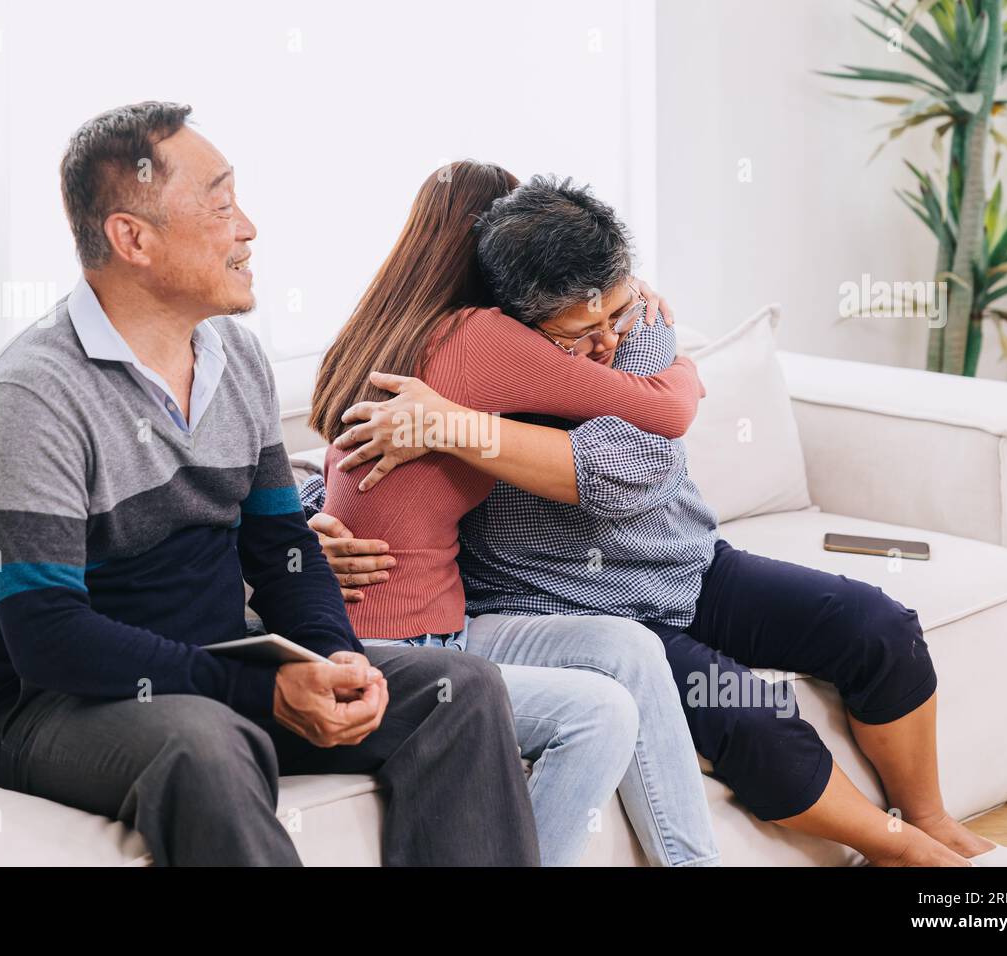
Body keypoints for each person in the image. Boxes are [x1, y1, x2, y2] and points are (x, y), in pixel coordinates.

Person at [309, 174, 1007, 867]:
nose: (606, 345)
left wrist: (469, 425)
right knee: (752, 715)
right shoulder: (483, 355)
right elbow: (358, 465)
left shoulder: (639, 322)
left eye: (613, 313)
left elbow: (640, 471)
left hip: (687, 565)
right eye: (577, 333)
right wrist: (314, 531)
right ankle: (893, 846)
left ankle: (933, 818)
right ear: (513, 315)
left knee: (877, 626)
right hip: (564, 603)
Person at [0, 103, 540, 867]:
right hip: (54, 707)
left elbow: (280, 547)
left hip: (211, 669)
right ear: (133, 238)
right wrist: (261, 692)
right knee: (205, 740)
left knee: (461, 691)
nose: (249, 228)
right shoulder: (32, 395)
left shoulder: (236, 358)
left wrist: (332, 656)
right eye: (222, 205)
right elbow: (48, 639)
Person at [305, 162, 719, 867]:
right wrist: (669, 348)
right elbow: (666, 411)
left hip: (442, 627)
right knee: (599, 713)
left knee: (632, 649)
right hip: (408, 648)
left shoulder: (391, 335)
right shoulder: (479, 339)